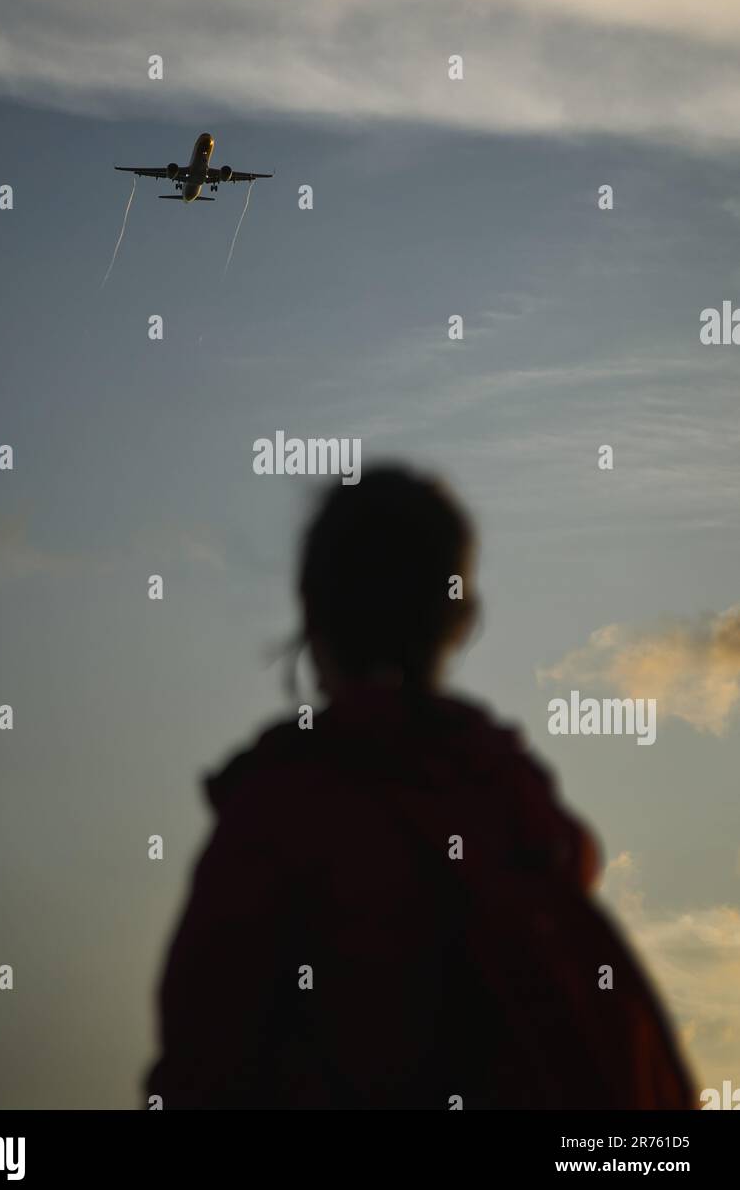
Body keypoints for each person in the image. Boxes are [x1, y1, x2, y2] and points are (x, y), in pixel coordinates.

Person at [145, 465, 694, 1110]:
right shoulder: (523, 820)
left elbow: (198, 1071)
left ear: (311, 610)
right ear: (459, 616)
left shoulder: (279, 817)